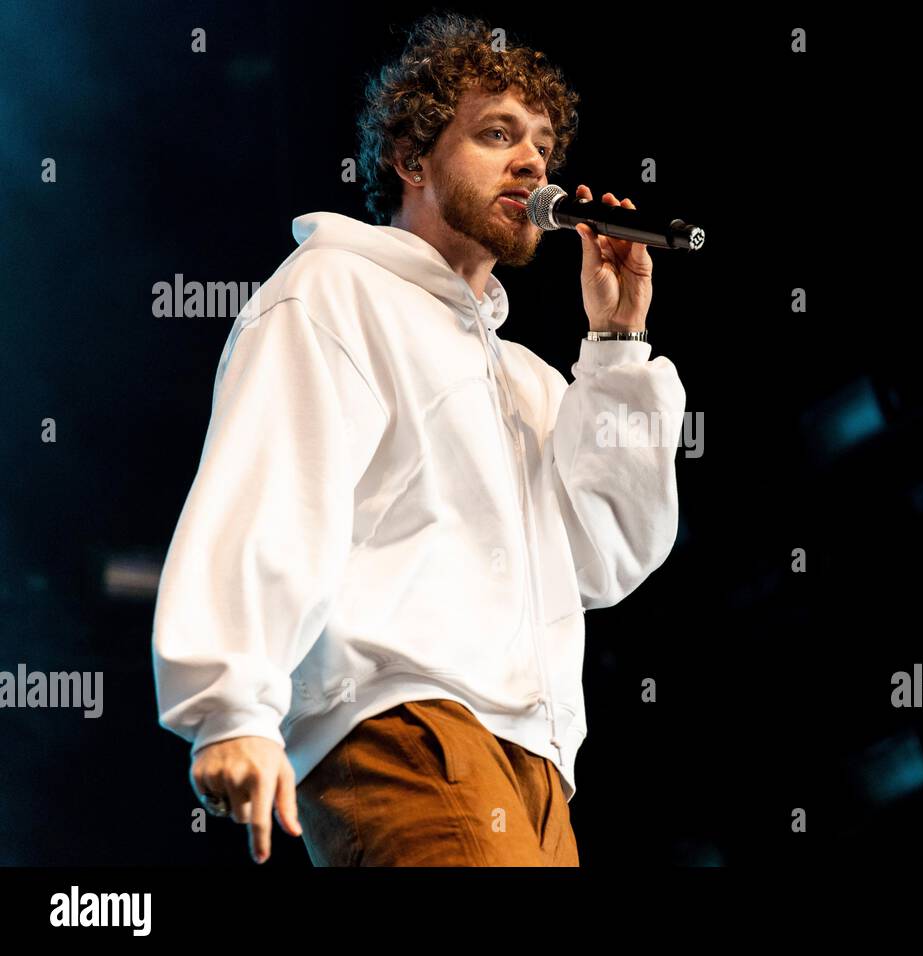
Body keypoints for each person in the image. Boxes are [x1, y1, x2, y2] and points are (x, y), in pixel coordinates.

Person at [150, 12, 687, 866]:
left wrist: (617, 344)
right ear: (412, 160)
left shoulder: (529, 380)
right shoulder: (335, 290)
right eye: (496, 133)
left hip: (540, 773)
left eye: (543, 145)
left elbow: (609, 553)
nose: (533, 163)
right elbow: (273, 491)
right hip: (407, 733)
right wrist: (230, 708)